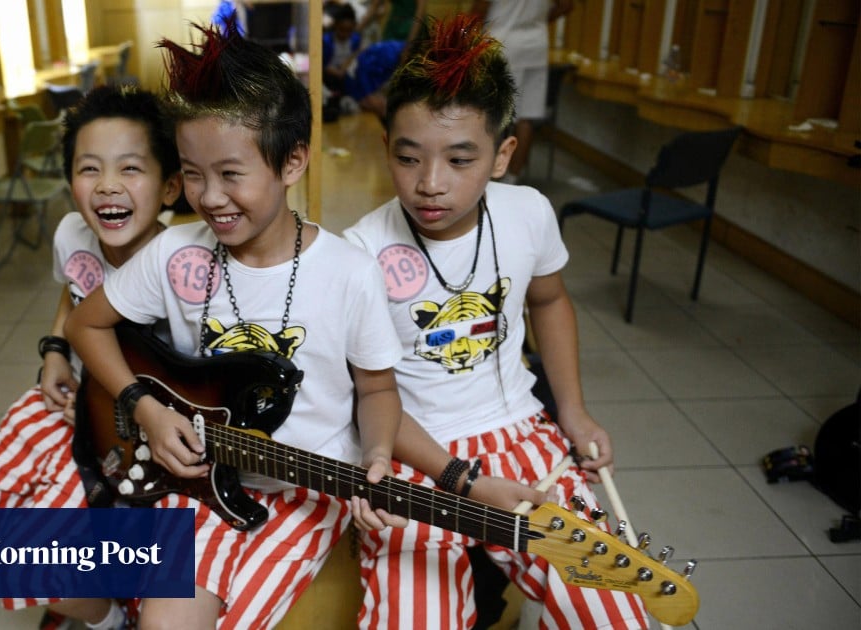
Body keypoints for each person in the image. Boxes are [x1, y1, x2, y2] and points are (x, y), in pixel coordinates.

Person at [65, 22, 406, 629]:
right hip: (199, 482)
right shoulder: (177, 255)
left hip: (306, 491)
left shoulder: (351, 273)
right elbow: (86, 325)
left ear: (293, 159)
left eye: (231, 174)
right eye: (192, 174)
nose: (209, 197)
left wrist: (377, 453)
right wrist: (143, 406)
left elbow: (377, 388)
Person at [343, 14, 648, 629]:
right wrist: (459, 480)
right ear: (387, 150)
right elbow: (367, 392)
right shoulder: (359, 250)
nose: (430, 184)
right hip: (411, 451)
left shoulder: (528, 213)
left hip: (518, 436)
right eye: (409, 158)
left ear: (504, 154)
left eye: (460, 159)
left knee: (615, 614)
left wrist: (574, 410)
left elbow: (549, 301)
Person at [0, 84, 184, 630]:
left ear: (170, 185)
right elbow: (74, 291)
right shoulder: (71, 233)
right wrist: (56, 348)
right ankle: (104, 619)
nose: (107, 186)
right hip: (73, 406)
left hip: (144, 433)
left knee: (67, 551)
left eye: (130, 169)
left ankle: (110, 606)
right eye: (89, 169)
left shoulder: (181, 265)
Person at [475, 0, 573, 183]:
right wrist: (539, 21)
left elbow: (479, 10)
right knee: (525, 117)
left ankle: (485, 176)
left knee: (491, 114)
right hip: (535, 44)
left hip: (499, 43)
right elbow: (566, 5)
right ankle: (512, 178)